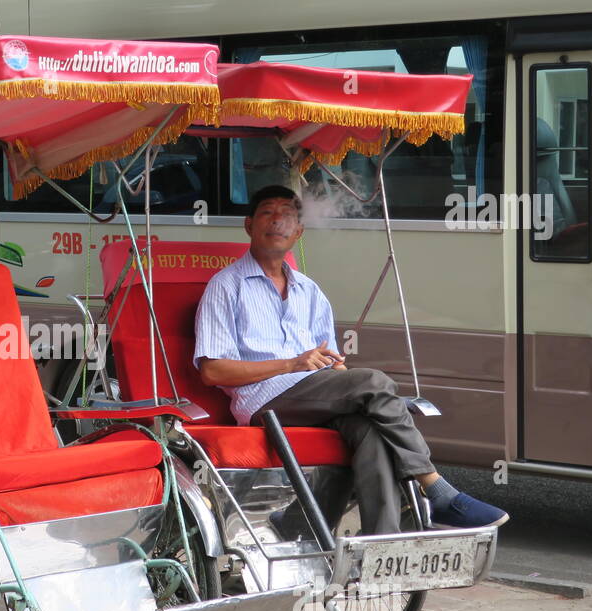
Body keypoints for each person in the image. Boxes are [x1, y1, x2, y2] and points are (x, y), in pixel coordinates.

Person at [193, 184, 508, 536]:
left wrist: (345, 381)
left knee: (369, 432)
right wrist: (292, 364)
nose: (278, 220)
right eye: (268, 212)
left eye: (288, 214)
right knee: (373, 382)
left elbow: (330, 363)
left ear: (299, 231)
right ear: (249, 225)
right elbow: (212, 371)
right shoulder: (226, 286)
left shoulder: (310, 291)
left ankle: (377, 544)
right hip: (263, 399)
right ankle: (436, 488)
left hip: (314, 393)